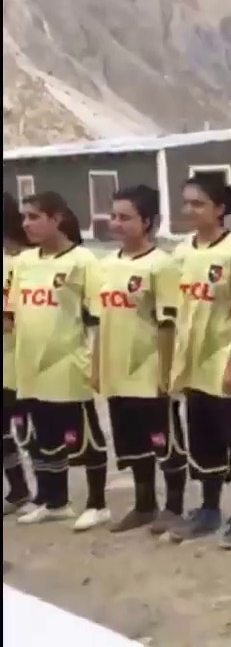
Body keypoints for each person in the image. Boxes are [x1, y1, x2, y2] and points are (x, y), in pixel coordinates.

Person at [165, 175, 231, 549]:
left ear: (220, 209)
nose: (189, 210)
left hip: (226, 365)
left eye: (198, 203)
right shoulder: (181, 253)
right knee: (203, 441)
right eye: (187, 202)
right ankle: (208, 510)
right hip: (193, 366)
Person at [6, 192, 111, 530]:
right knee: (41, 438)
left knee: (84, 438)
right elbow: (12, 316)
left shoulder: (83, 261)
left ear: (57, 219)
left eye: (34, 216)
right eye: (24, 217)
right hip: (30, 368)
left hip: (67, 367)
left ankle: (98, 504)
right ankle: (55, 502)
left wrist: (97, 363)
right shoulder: (24, 262)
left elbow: (98, 319)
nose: (26, 223)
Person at [95, 185, 189, 535]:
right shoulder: (106, 266)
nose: (115, 223)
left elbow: (167, 324)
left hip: (150, 372)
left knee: (165, 442)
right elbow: (102, 321)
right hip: (117, 372)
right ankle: (144, 505)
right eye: (113, 216)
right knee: (132, 444)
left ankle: (174, 507)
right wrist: (97, 366)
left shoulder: (162, 265)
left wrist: (166, 372)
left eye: (125, 217)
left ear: (147, 221)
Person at [2, 192, 34, 516]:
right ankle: (19, 489)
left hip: (19, 358)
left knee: (28, 430)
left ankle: (49, 494)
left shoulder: (21, 263)